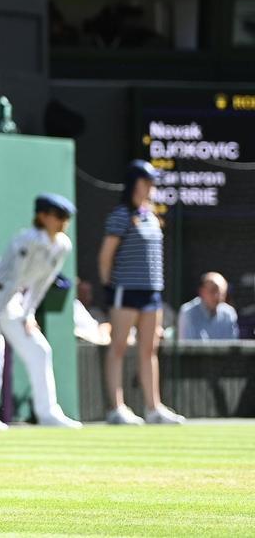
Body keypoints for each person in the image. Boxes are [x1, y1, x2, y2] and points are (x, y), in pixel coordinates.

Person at [0, 194, 82, 430]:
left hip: (10, 302)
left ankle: (47, 413)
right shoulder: (26, 240)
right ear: (42, 216)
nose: (63, 221)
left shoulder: (62, 245)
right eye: (58, 216)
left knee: (40, 349)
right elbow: (15, 278)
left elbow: (42, 283)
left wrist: (29, 314)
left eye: (66, 217)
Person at [99, 160, 185, 425]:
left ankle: (153, 408)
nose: (151, 187)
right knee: (119, 348)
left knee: (149, 350)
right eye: (147, 181)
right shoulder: (120, 215)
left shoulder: (151, 216)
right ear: (135, 183)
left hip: (152, 293)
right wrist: (109, 289)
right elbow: (106, 257)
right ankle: (117, 408)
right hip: (125, 292)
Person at [177, 272, 240, 340]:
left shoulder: (229, 313)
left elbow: (232, 345)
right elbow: (186, 347)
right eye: (213, 291)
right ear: (202, 291)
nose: (217, 296)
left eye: (222, 293)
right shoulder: (187, 312)